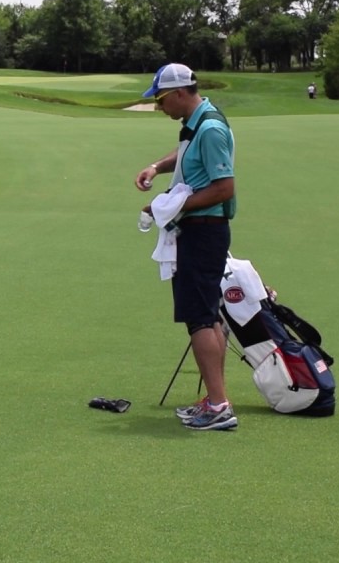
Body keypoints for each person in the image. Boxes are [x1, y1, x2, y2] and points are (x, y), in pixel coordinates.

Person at [134, 63, 239, 431]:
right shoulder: (197, 123)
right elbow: (186, 154)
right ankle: (215, 399)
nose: (160, 107)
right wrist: (156, 167)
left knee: (199, 318)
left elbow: (224, 188)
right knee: (207, 315)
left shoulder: (209, 128)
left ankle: (219, 406)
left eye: (162, 100)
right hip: (198, 231)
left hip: (203, 232)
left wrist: (172, 206)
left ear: (180, 93)